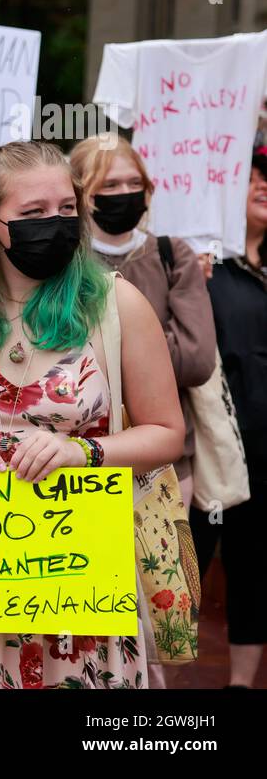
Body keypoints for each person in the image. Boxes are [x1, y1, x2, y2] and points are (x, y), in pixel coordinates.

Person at [0, 140, 185, 689]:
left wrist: (84, 452)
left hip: (85, 580)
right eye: (33, 214)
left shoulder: (117, 305)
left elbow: (167, 433)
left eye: (66, 209)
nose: (56, 223)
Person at [70, 134, 216, 506]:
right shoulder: (63, 262)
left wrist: (111, 348)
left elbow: (197, 361)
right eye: (111, 185)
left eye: (135, 184)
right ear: (82, 193)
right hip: (78, 463)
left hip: (164, 466)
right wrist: (152, 346)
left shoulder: (172, 254)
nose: (126, 193)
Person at [198, 150, 267, 689]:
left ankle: (240, 687)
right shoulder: (201, 262)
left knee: (254, 577)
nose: (265, 185)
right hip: (204, 457)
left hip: (265, 463)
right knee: (176, 573)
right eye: (256, 175)